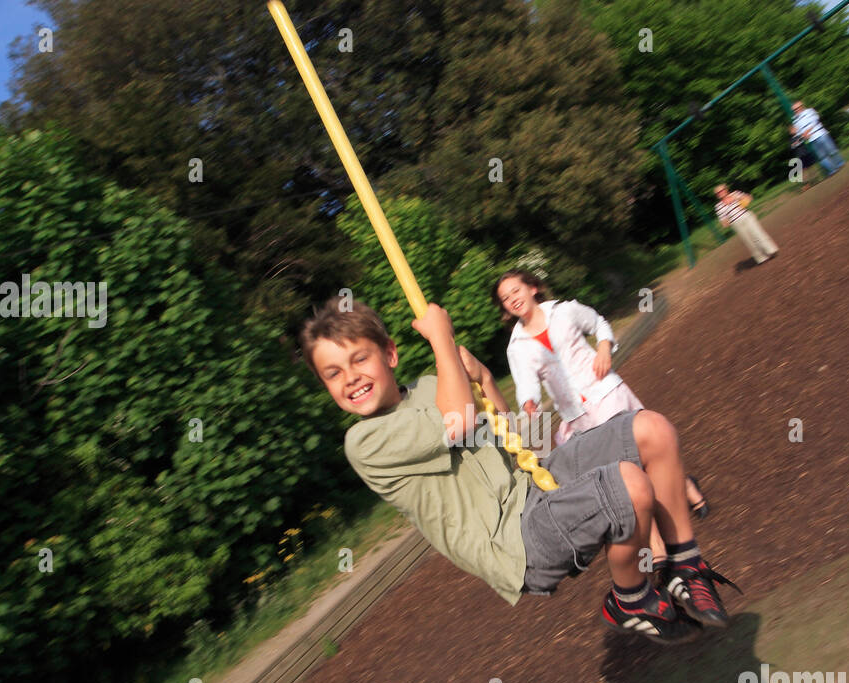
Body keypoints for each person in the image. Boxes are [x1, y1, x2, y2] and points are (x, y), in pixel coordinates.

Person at [300, 297, 741, 644]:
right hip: (515, 541)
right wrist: (440, 339)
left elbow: (508, 435)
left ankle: (686, 566)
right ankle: (631, 600)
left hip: (535, 484)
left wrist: (485, 379)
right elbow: (459, 423)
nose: (350, 377)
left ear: (390, 354)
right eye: (333, 373)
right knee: (629, 487)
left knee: (652, 430)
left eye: (360, 359)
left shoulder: (434, 386)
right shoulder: (364, 442)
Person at [493, 269, 710, 580]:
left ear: (532, 288)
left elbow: (598, 324)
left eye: (515, 290)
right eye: (505, 298)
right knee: (623, 472)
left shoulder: (565, 311)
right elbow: (525, 384)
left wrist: (605, 348)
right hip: (576, 416)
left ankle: (685, 486)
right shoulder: (516, 348)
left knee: (646, 453)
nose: (512, 299)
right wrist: (528, 403)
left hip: (606, 392)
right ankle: (657, 548)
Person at [713, 184, 778, 265]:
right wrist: (725, 222)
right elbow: (724, 221)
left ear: (726, 189)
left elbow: (749, 197)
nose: (720, 193)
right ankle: (761, 258)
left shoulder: (735, 194)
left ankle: (771, 250)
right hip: (736, 223)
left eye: (721, 190)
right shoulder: (718, 206)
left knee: (758, 233)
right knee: (749, 240)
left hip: (747, 216)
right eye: (718, 193)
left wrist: (742, 199)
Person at [790, 100, 844, 176]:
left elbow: (814, 121)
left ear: (802, 106)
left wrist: (807, 132)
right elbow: (797, 132)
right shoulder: (795, 120)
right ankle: (832, 170)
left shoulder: (810, 111)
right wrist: (802, 134)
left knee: (831, 150)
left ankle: (840, 163)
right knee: (822, 157)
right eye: (794, 109)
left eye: (798, 107)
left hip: (820, 134)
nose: (797, 110)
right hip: (811, 140)